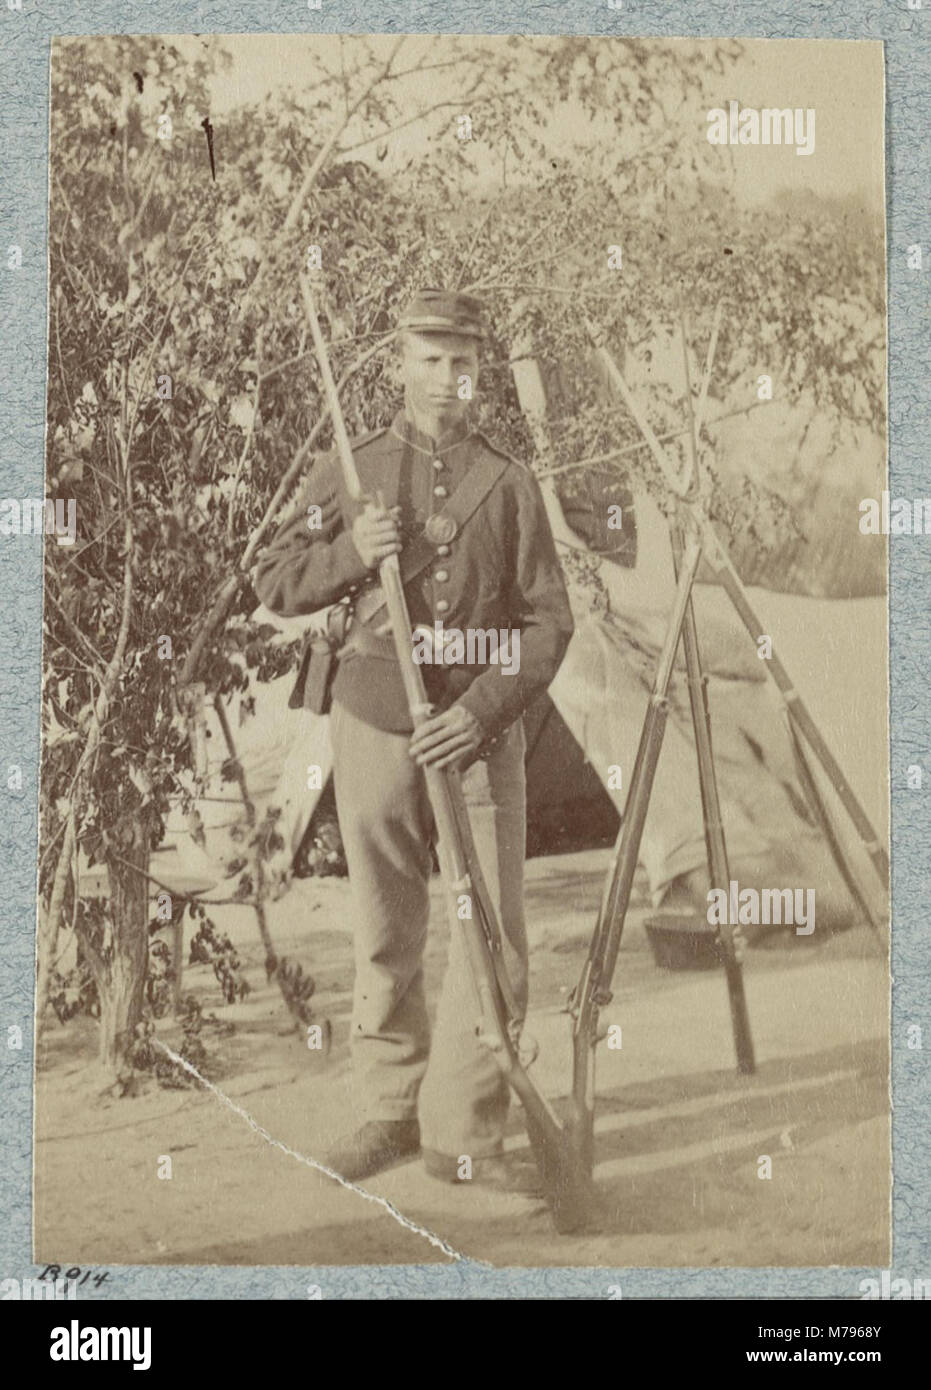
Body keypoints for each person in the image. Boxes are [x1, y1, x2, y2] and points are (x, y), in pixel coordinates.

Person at [254, 288, 573, 1187]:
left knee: (491, 927)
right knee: (384, 920)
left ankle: (468, 1123)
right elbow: (275, 583)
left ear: (481, 370)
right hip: (374, 719)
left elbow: (549, 625)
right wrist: (354, 551)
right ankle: (392, 1106)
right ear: (399, 363)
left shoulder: (507, 484)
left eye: (462, 362)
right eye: (428, 360)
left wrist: (479, 713)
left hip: (478, 732)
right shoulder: (352, 473)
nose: (446, 379)